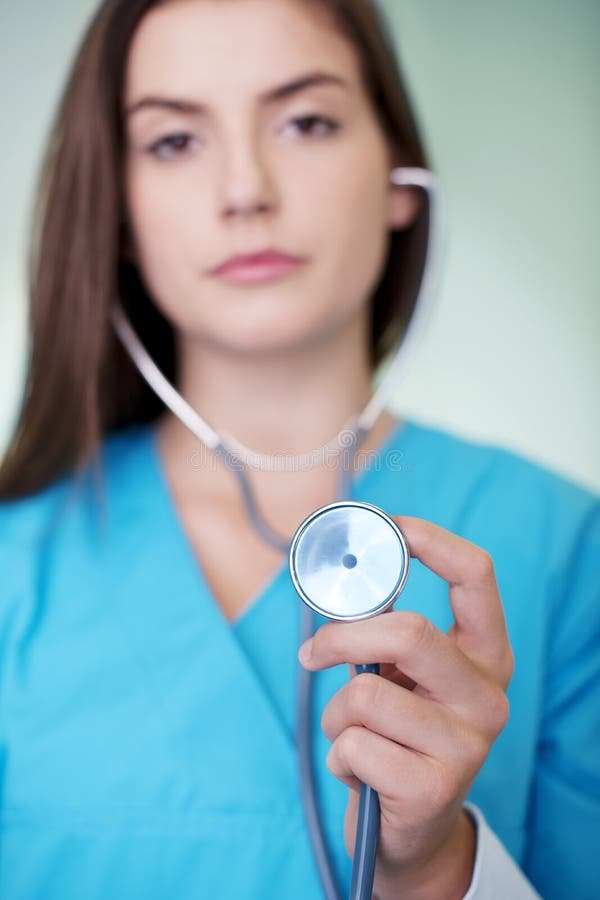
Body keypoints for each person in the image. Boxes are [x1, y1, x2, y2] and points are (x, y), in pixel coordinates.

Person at [0, 1, 598, 898]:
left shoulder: (562, 547)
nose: (246, 190)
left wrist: (435, 869)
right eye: (173, 141)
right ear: (118, 211)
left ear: (402, 176)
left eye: (306, 121)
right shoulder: (15, 560)